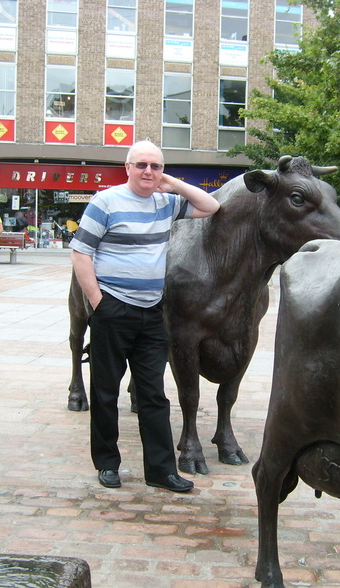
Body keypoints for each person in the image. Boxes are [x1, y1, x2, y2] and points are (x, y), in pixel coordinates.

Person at [69, 139, 220, 493]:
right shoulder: (104, 201)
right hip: (113, 310)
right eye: (141, 165)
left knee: (154, 395)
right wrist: (98, 301)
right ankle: (107, 463)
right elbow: (81, 254)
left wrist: (173, 184)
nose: (148, 172)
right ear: (127, 168)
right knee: (106, 392)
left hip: (152, 312)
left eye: (156, 166)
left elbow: (210, 205)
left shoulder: (166, 204)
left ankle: (161, 470)